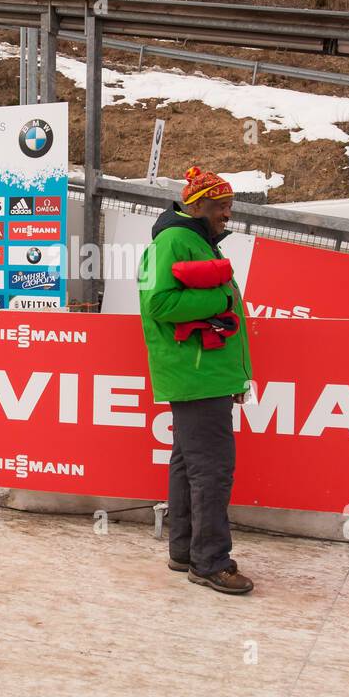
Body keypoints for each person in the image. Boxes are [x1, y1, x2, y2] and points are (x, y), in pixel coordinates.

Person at [138, 167, 254, 594]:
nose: (228, 213)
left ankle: (185, 550)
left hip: (200, 372)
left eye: (229, 205)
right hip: (197, 373)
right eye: (221, 205)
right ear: (198, 204)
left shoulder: (192, 240)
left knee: (189, 464)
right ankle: (210, 563)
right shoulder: (173, 241)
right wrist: (222, 297)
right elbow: (159, 303)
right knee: (213, 471)